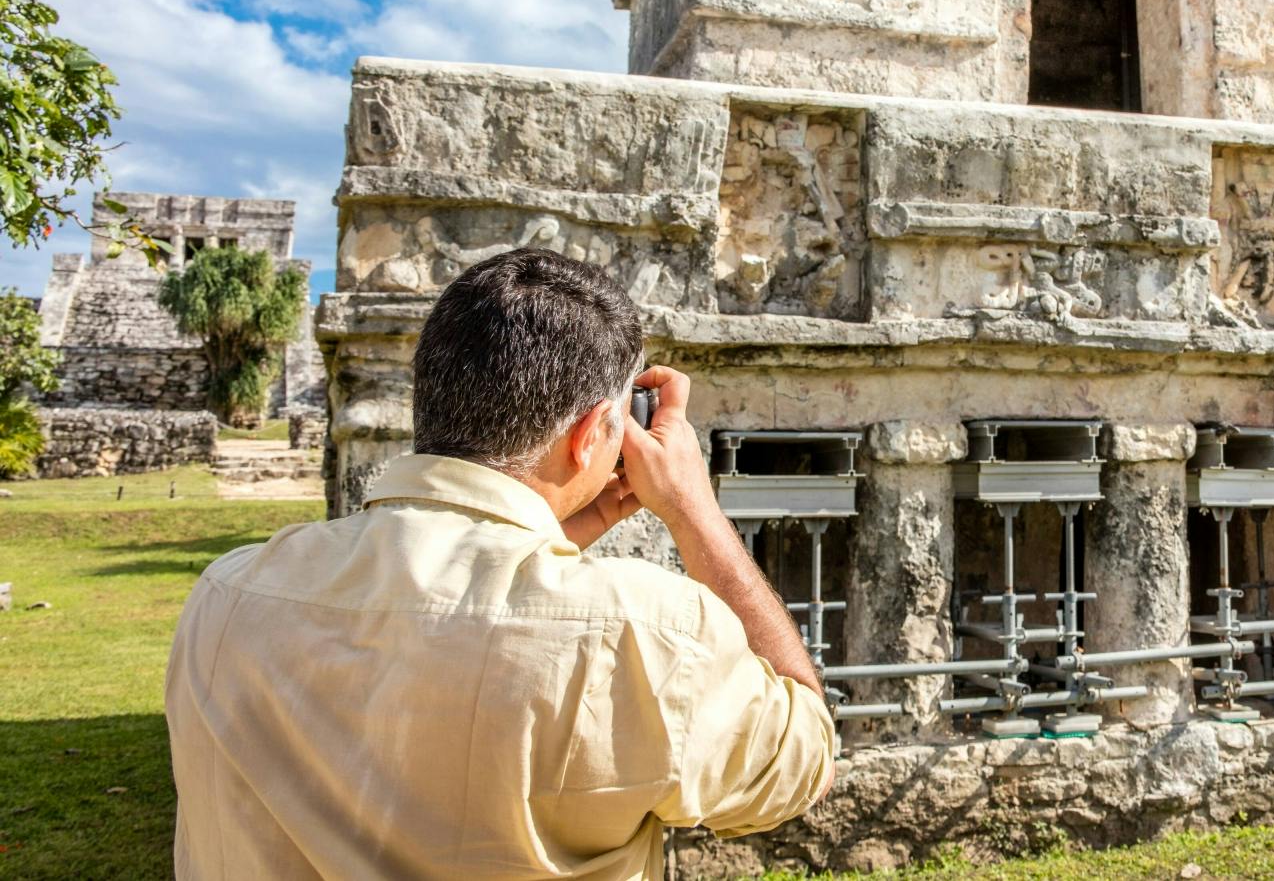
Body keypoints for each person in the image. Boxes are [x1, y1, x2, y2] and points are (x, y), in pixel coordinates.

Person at [166, 248, 835, 879]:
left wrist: (551, 531)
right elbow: (804, 756)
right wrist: (698, 512)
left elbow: (442, 617)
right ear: (590, 434)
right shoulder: (648, 633)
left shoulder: (226, 598)